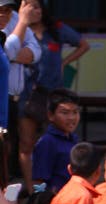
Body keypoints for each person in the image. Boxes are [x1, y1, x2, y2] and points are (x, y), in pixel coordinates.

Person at [19, 0, 88, 192]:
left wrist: (65, 62)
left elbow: (83, 45)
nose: (35, 10)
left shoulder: (56, 29)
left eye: (38, 6)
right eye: (29, 6)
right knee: (27, 143)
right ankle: (34, 191)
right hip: (28, 94)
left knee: (57, 140)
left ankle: (59, 186)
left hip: (54, 95)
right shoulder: (18, 30)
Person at [0, 0, 41, 194]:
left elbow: (36, 52)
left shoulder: (16, 17)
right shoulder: (21, 20)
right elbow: (7, 51)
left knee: (16, 146)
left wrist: (10, 53)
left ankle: (12, 198)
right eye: (0, 10)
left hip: (15, 98)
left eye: (7, 10)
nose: (4, 15)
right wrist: (23, 24)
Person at [31, 88, 79, 193]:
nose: (71, 118)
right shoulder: (47, 142)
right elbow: (39, 182)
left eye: (75, 112)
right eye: (65, 113)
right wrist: (41, 202)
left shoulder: (74, 139)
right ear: (50, 115)